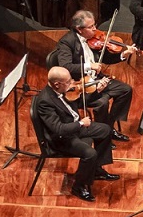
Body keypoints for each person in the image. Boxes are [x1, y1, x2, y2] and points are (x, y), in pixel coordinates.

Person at [53, 9, 137, 142]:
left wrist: (123, 55)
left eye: (94, 25)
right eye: (90, 27)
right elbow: (65, 67)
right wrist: (89, 66)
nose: (95, 29)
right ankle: (102, 137)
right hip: (80, 85)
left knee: (125, 90)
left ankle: (108, 128)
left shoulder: (91, 39)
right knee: (102, 102)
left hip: (96, 78)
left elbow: (106, 58)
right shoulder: (66, 42)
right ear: (79, 29)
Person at [38, 66, 118, 202]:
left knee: (106, 130)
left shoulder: (64, 90)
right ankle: (78, 187)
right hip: (62, 138)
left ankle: (96, 169)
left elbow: (81, 101)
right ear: (57, 84)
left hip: (75, 127)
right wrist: (81, 123)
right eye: (68, 82)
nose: (72, 83)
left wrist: (98, 91)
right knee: (90, 153)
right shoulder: (45, 101)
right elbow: (58, 129)